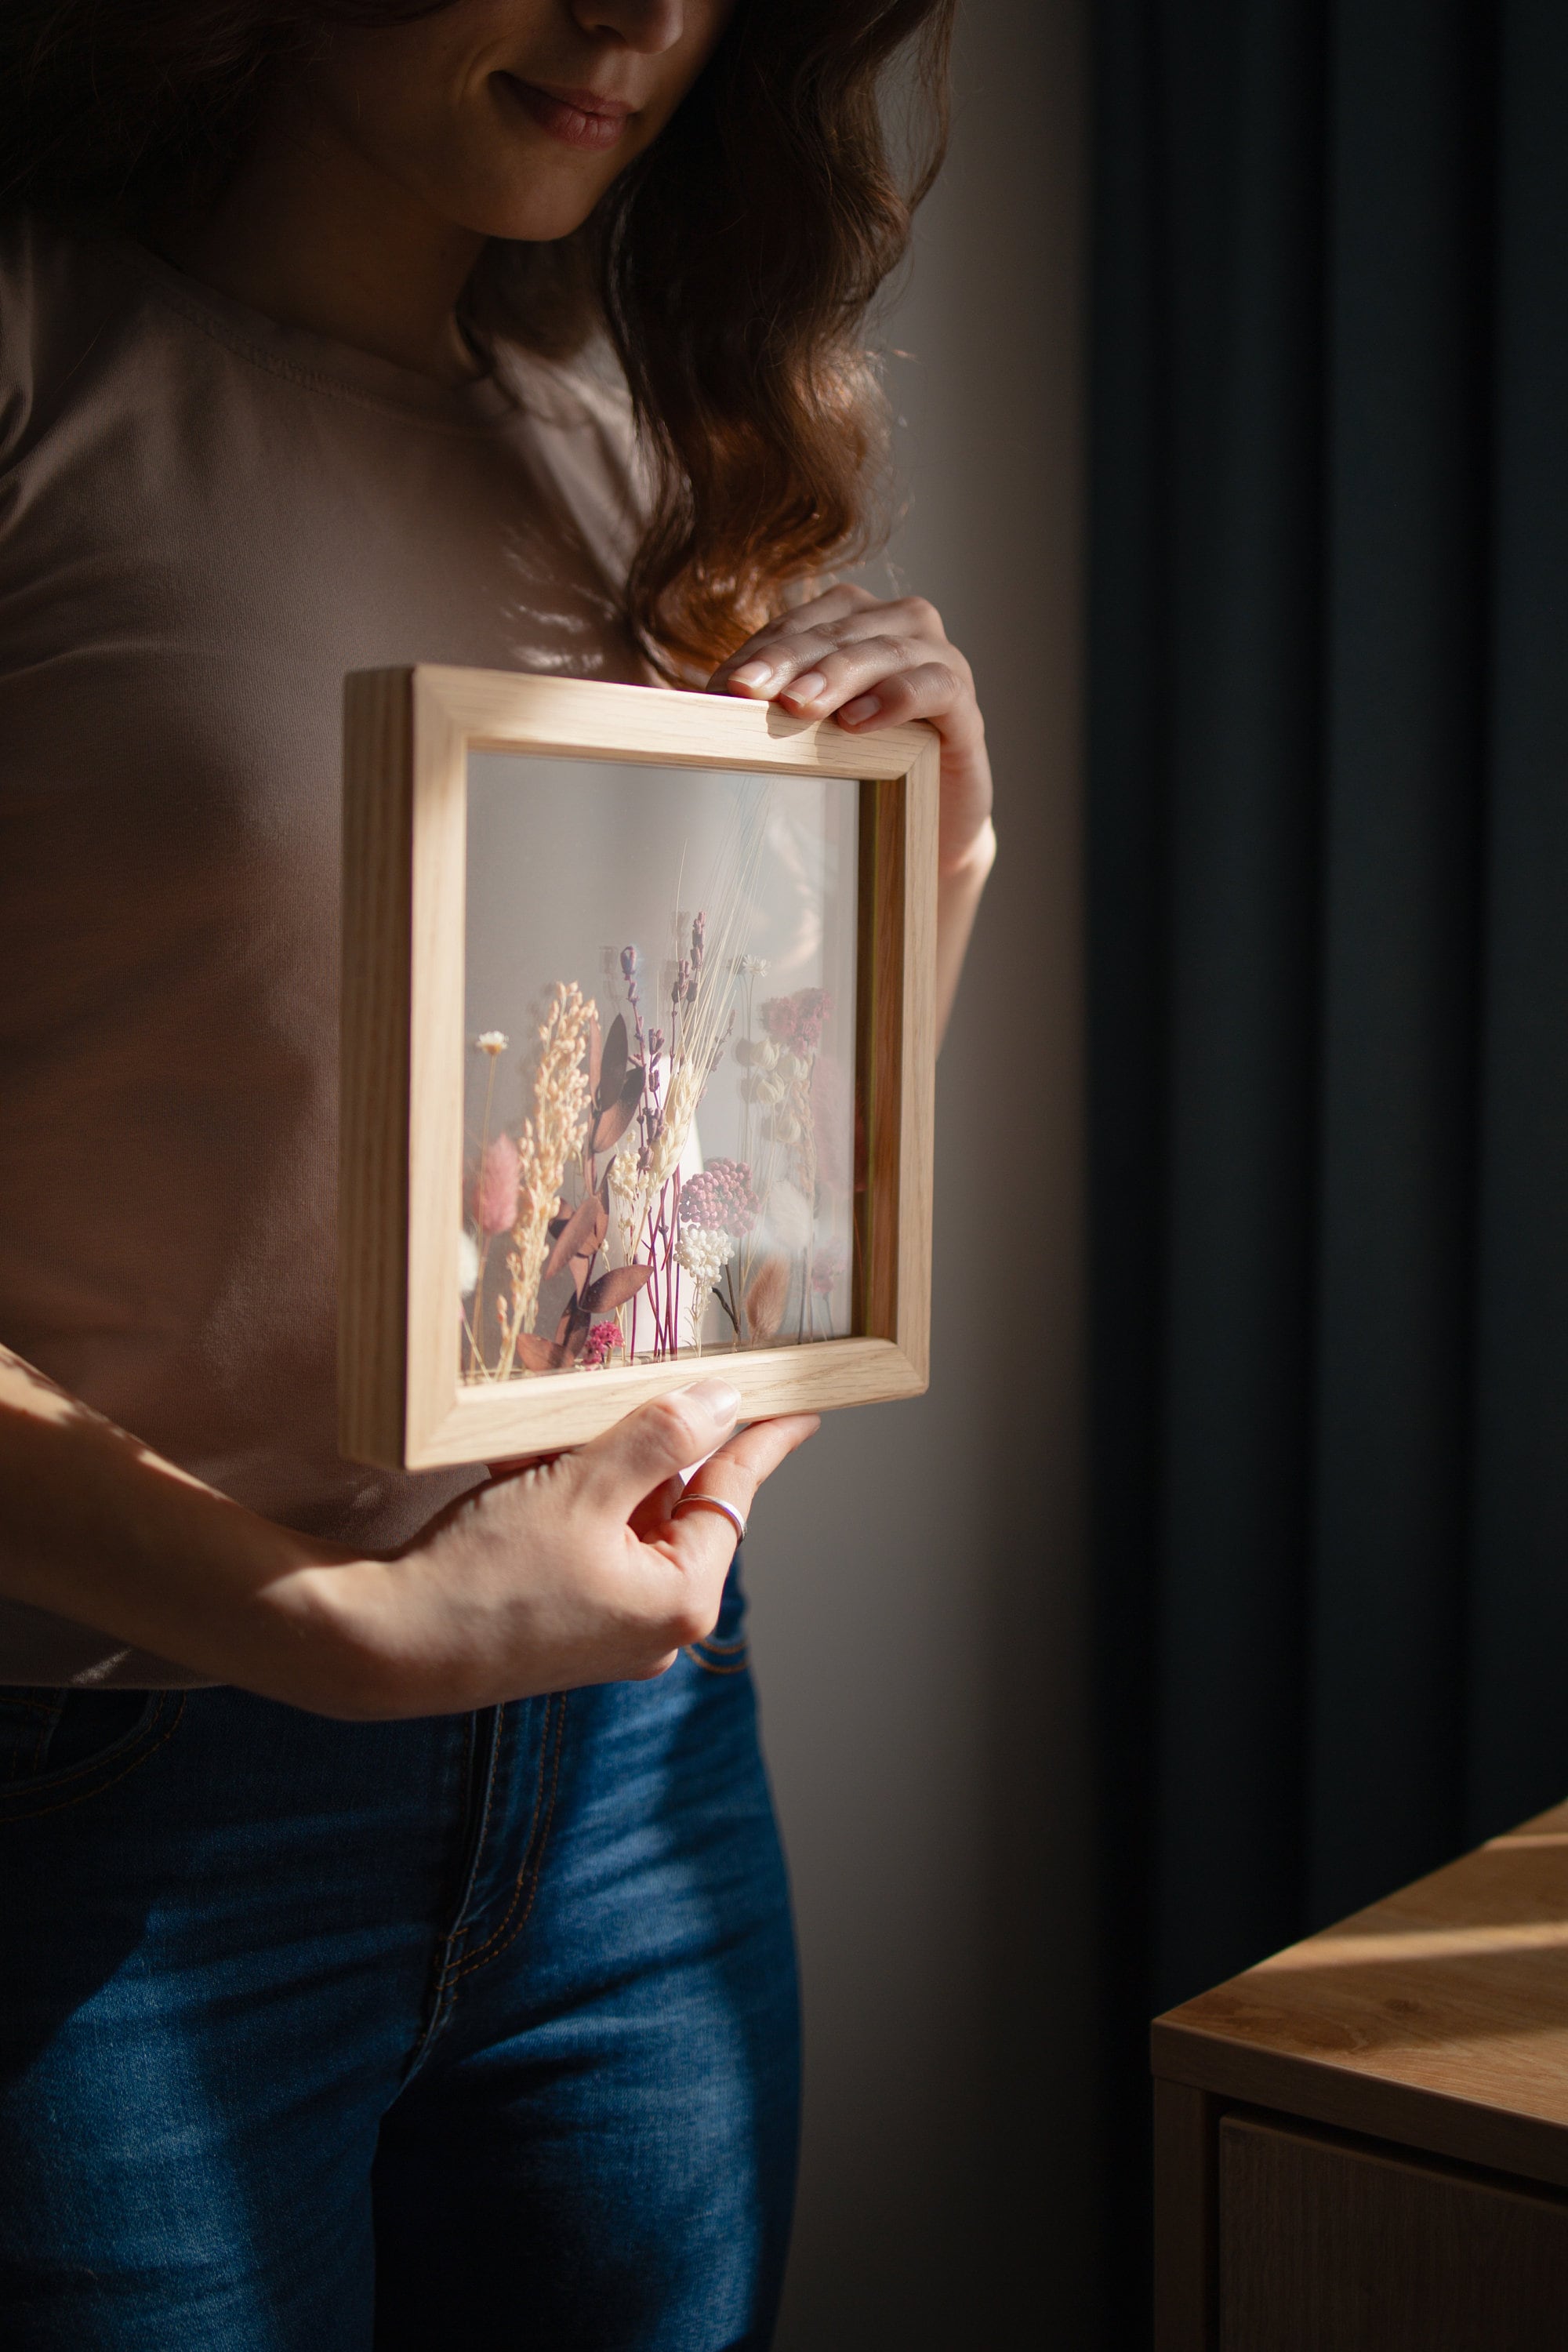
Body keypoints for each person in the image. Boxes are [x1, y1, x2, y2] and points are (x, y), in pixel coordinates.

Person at [0, 2, 996, 2344]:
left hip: (631, 1798)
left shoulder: (642, 455)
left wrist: (927, 876)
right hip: (113, 1825)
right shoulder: (43, 363)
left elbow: (699, 1215)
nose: (638, 14)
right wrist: (322, 1629)